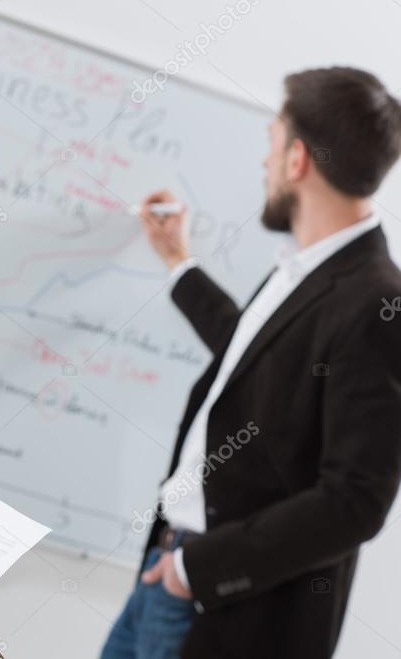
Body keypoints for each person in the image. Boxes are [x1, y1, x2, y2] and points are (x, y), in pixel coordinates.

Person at [101, 67, 401, 659]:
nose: (264, 163)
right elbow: (255, 361)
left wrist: (195, 571)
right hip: (164, 575)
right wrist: (179, 262)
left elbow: (356, 502)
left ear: (297, 160)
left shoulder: (379, 303)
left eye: (271, 143)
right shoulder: (305, 269)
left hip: (223, 612)